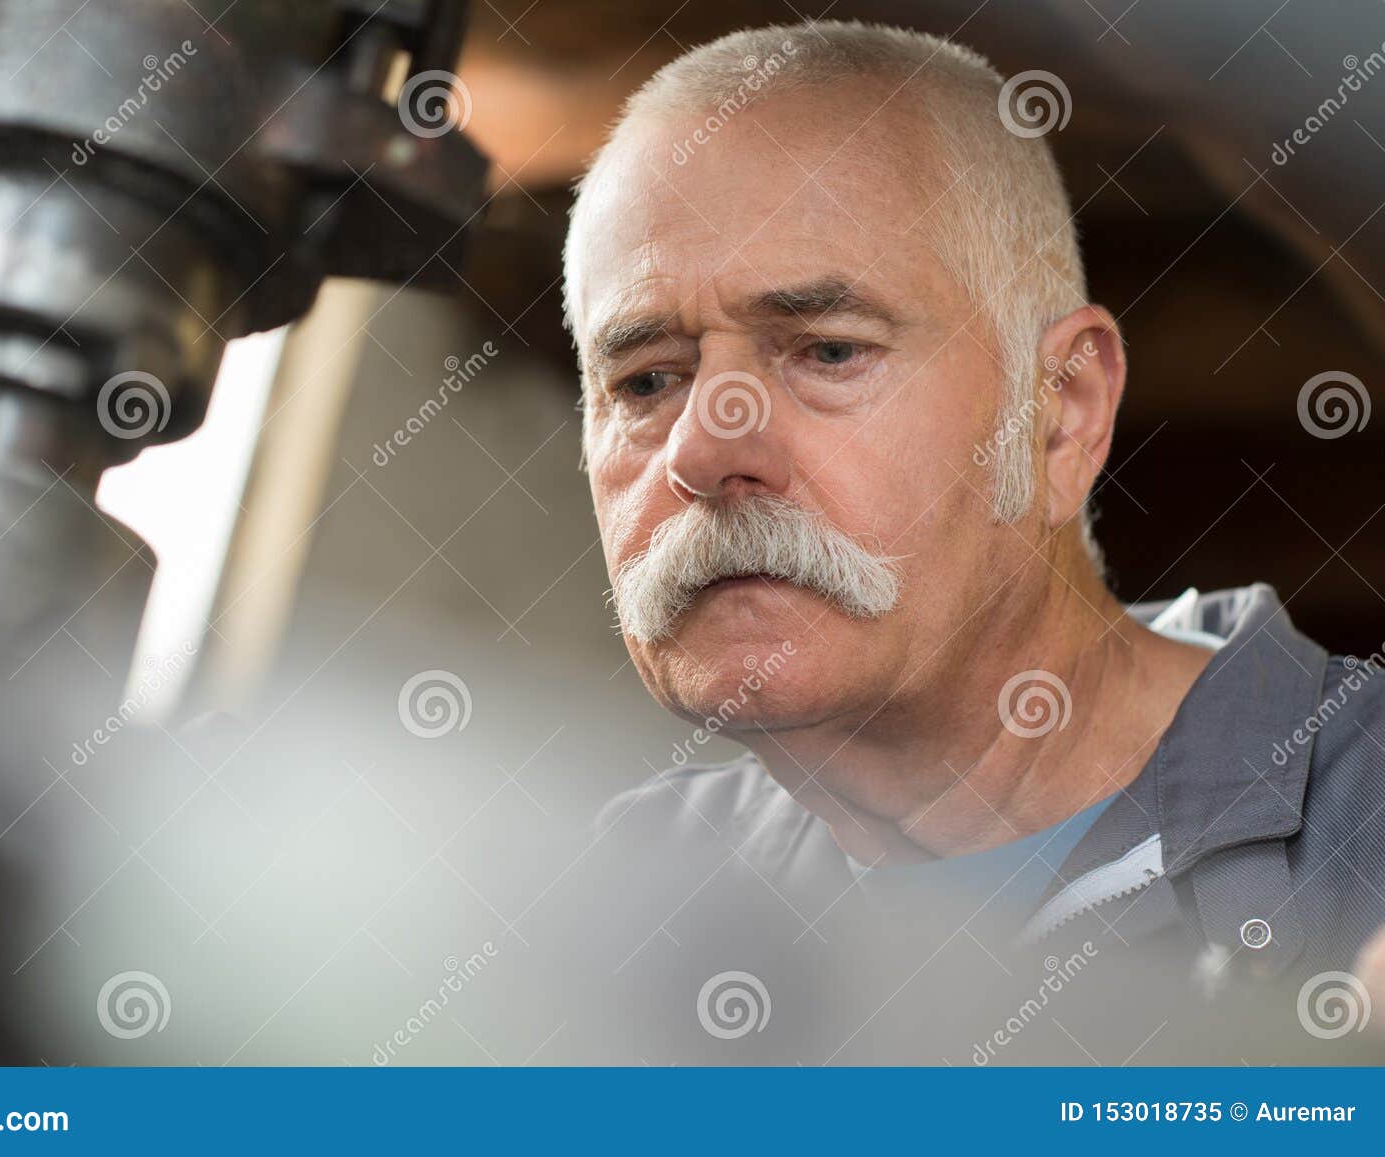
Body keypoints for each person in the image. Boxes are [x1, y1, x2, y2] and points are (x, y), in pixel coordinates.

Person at [562, 19, 1385, 1004]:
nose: (704, 448)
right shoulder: (627, 891)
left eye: (826, 351)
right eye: (646, 379)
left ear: (1059, 414)